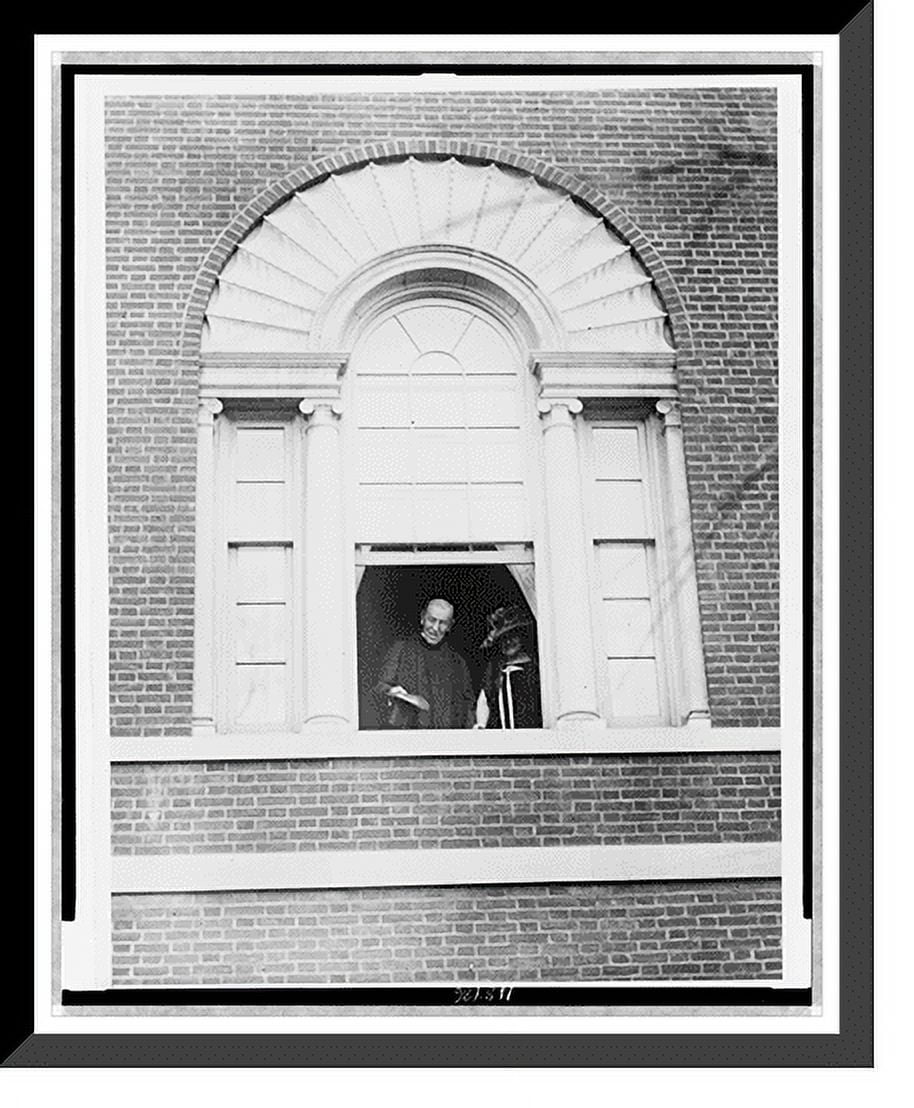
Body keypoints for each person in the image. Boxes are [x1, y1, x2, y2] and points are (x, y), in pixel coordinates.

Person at [374, 598, 476, 729]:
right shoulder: (401, 649)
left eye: (443, 623)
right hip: (409, 739)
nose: (435, 628)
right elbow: (380, 688)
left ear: (450, 626)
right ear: (423, 618)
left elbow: (468, 708)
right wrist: (394, 692)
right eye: (432, 620)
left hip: (447, 742)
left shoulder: (458, 663)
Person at [475, 605, 542, 730]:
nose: (508, 642)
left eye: (512, 636)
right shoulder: (495, 670)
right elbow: (484, 700)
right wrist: (481, 724)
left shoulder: (535, 669)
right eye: (503, 639)